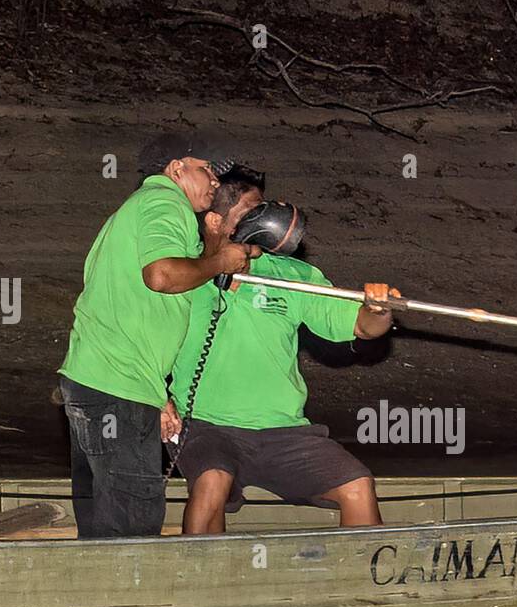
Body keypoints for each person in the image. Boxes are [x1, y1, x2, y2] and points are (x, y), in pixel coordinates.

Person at [163, 166, 398, 534]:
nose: (265, 218)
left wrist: (379, 310)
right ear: (214, 221)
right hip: (207, 426)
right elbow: (135, 338)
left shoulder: (291, 274)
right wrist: (157, 398)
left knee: (358, 486)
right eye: (251, 211)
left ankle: (362, 587)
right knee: (212, 482)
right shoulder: (182, 271)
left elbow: (360, 327)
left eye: (265, 207)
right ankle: (199, 583)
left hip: (283, 431)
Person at [57, 132, 259, 538]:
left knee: (102, 521)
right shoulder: (165, 202)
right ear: (175, 169)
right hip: (115, 388)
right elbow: (161, 276)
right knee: (133, 522)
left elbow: (127, 308)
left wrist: (157, 394)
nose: (215, 181)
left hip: (102, 381)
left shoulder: (135, 212)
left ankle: (96, 599)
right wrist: (219, 260)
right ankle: (129, 600)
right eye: (207, 171)